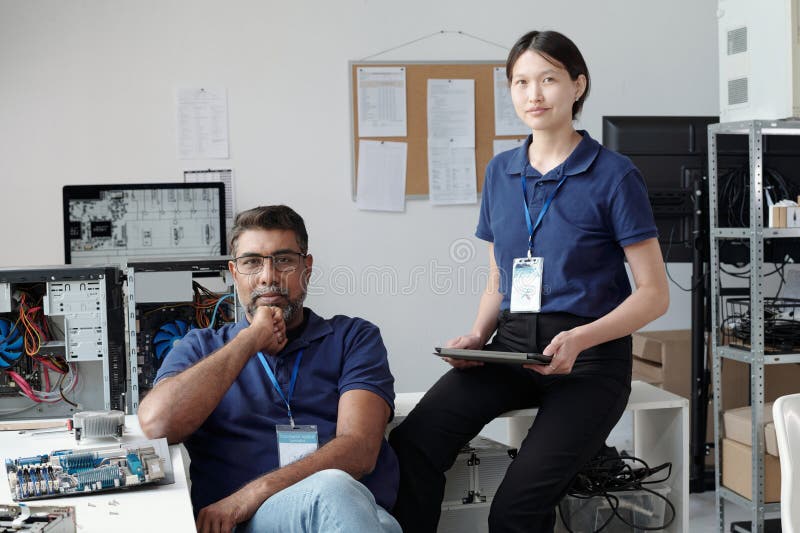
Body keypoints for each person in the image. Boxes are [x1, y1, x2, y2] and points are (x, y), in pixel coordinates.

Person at [389, 30, 669, 533]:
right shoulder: (501, 172)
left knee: (515, 508)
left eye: (548, 79)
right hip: (513, 346)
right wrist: (477, 337)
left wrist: (580, 338)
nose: (533, 94)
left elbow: (654, 295)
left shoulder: (615, 175)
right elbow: (500, 271)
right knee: (413, 444)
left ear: (577, 86)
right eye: (520, 82)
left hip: (590, 358)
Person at [138, 205, 402, 533]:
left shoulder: (353, 338)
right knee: (334, 493)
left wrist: (254, 492)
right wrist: (249, 341)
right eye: (251, 262)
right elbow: (157, 424)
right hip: (250, 526)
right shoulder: (202, 347)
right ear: (234, 274)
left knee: (341, 497)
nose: (268, 277)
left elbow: (360, 450)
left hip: (352, 513)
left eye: (284, 260)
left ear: (307, 267)